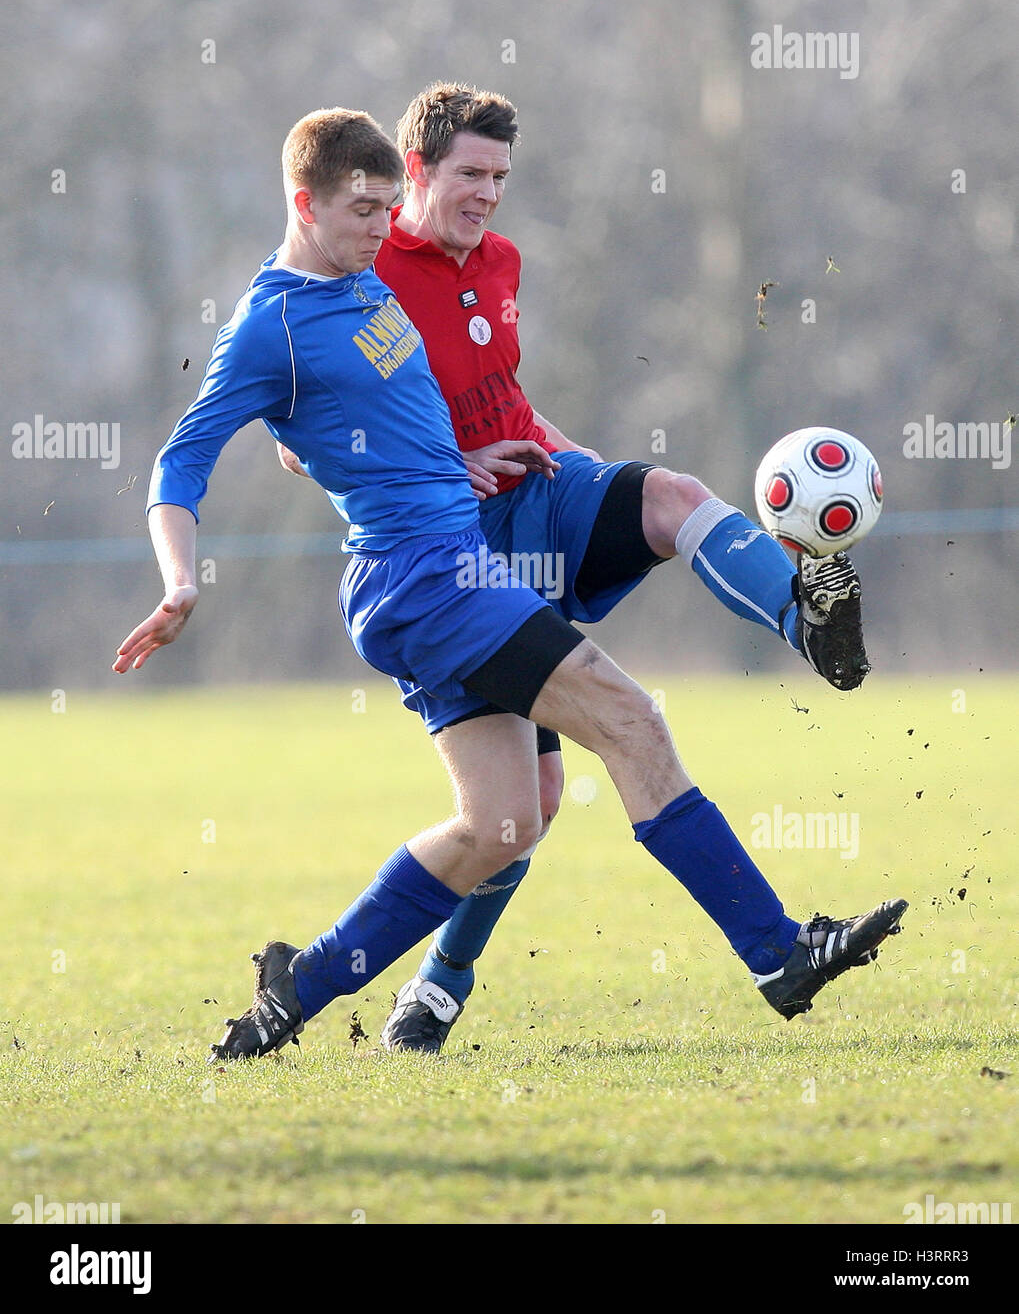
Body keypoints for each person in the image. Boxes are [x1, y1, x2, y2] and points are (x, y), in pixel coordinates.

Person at [113, 107, 906, 1065]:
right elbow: (179, 462)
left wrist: (466, 461)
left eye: (381, 206)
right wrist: (179, 581)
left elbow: (383, 423)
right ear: (303, 206)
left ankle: (299, 986)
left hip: (445, 571)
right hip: (425, 582)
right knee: (633, 723)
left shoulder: (368, 283)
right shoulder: (269, 325)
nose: (376, 224)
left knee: (504, 822)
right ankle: (779, 954)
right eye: (360, 209)